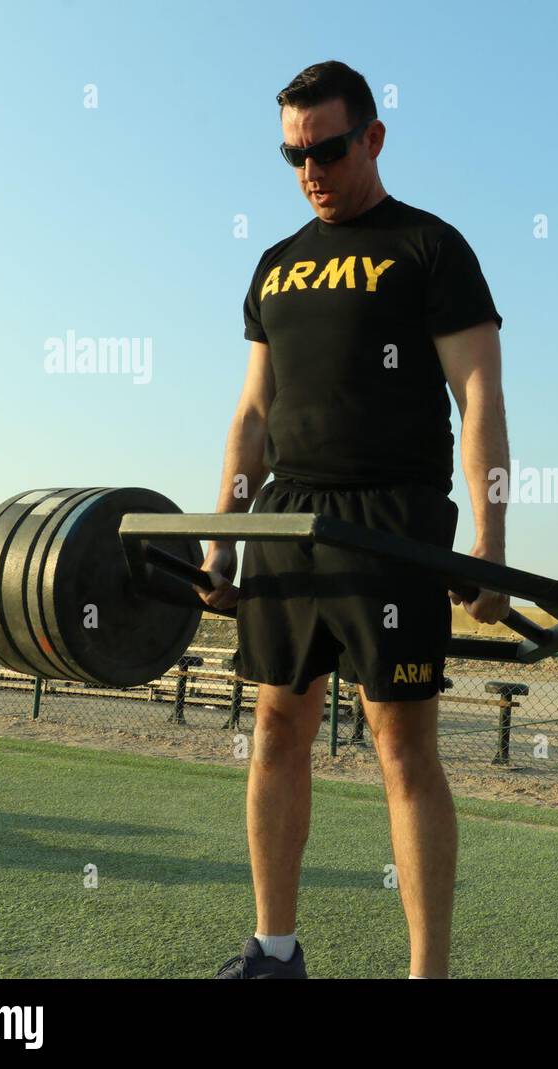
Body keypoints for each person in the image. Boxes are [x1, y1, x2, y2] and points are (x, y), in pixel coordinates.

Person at [200, 60, 509, 979]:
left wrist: (489, 541)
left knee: (401, 742)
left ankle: (426, 972)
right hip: (288, 520)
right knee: (276, 726)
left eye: (327, 149)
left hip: (392, 519)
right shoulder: (276, 264)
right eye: (293, 154)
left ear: (372, 138)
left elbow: (480, 395)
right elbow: (254, 415)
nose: (311, 171)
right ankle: (276, 950)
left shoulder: (430, 247)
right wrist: (225, 536)